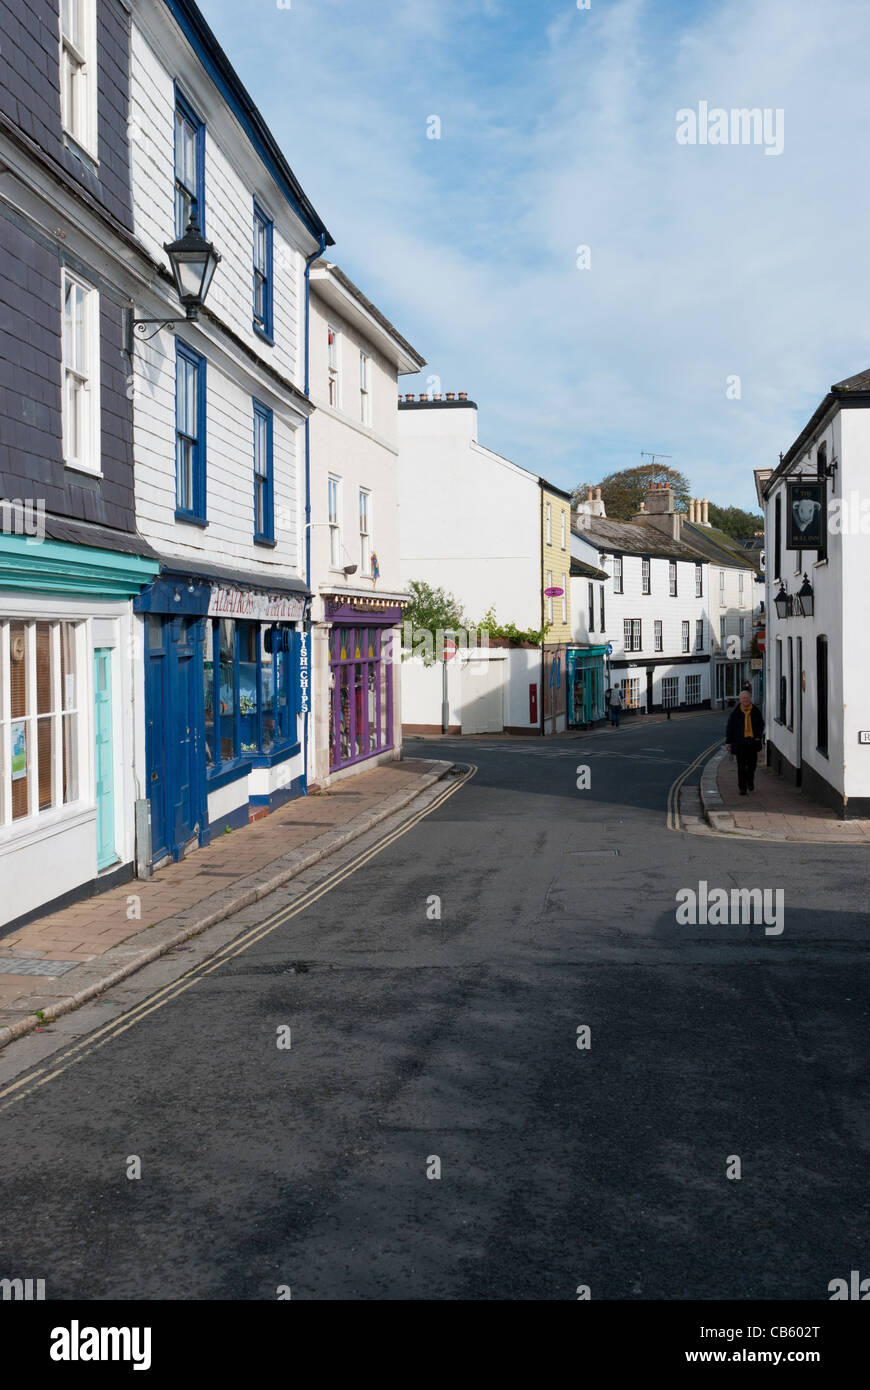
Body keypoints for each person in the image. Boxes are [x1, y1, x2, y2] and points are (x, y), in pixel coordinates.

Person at [725, 688, 764, 795]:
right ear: (739, 700)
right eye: (743, 698)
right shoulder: (735, 713)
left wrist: (758, 737)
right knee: (741, 766)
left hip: (752, 742)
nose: (745, 700)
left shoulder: (756, 711)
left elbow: (761, 725)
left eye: (746, 698)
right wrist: (728, 742)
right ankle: (742, 788)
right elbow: (730, 728)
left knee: (752, 765)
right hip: (739, 743)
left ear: (750, 698)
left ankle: (750, 781)